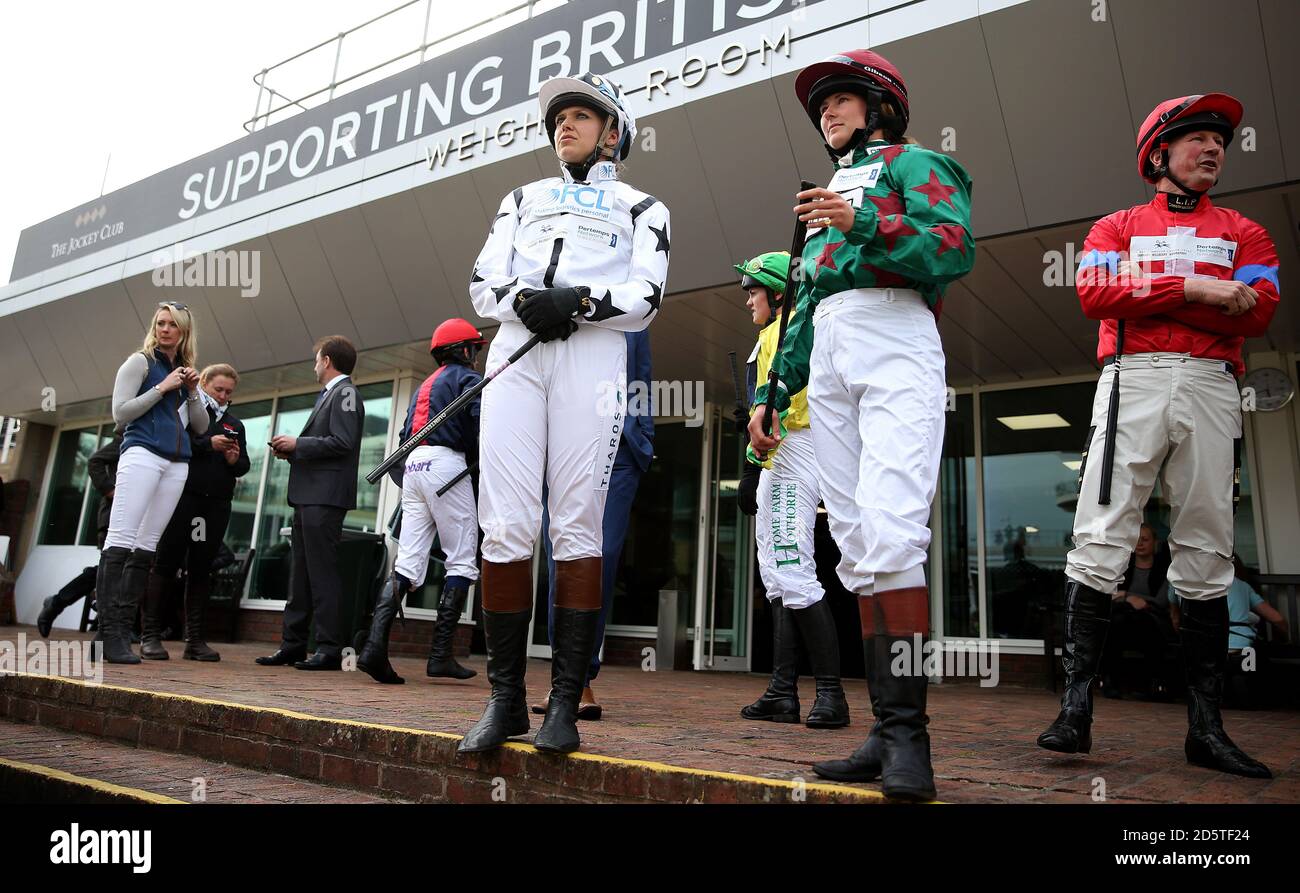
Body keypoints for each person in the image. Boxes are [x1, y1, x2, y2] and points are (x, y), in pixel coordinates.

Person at [748, 50, 974, 800]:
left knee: (895, 530)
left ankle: (911, 737)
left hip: (895, 329)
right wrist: (775, 392)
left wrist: (864, 217)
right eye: (822, 108)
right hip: (834, 350)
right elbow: (805, 302)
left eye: (841, 101)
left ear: (880, 107)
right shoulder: (822, 195)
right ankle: (881, 729)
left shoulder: (917, 162)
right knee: (854, 540)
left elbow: (952, 248)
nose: (828, 114)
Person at [1037, 93, 1279, 779]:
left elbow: (1259, 310)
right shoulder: (1115, 225)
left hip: (1211, 383)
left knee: (1208, 540)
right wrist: (1205, 291)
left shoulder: (1249, 231)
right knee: (1103, 531)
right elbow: (1095, 293)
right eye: (1197, 138)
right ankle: (1074, 711)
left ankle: (1206, 726)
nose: (1213, 150)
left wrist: (1152, 286)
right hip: (1130, 378)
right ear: (1159, 153)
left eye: (1220, 141)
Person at [458, 72, 670, 755]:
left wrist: (576, 302)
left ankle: (567, 702)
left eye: (581, 115)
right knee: (505, 523)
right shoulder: (520, 197)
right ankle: (505, 699)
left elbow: (647, 295)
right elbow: (481, 279)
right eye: (558, 119)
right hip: (518, 352)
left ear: (614, 132)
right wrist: (524, 300)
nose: (564, 127)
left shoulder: (646, 207)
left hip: (593, 356)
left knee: (577, 523)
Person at [735, 251, 848, 728]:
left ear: (779, 293)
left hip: (799, 450)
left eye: (753, 291)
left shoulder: (795, 333)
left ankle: (831, 694)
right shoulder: (765, 338)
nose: (748, 301)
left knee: (792, 569)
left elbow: (788, 410)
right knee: (776, 575)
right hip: (778, 458)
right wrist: (751, 467)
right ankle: (783, 691)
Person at [532, 328, 654, 721]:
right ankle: (564, 680)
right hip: (564, 449)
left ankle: (580, 677)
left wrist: (641, 438)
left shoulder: (632, 311)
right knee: (560, 562)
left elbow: (641, 374)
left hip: (618, 449)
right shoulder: (560, 305)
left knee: (600, 557)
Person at [357, 319, 484, 685]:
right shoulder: (468, 380)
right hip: (446, 465)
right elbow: (479, 429)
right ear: (463, 350)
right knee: (461, 556)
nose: (475, 356)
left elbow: (403, 434)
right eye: (474, 349)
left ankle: (374, 648)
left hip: (413, 467)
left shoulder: (424, 387)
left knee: (409, 560)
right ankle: (441, 655)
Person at [96, 301, 208, 663]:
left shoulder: (186, 372)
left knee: (146, 548)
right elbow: (120, 412)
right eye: (160, 323)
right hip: (142, 453)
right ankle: (107, 634)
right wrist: (161, 388)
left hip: (177, 465)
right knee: (120, 541)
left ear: (184, 331)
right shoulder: (140, 362)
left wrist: (191, 390)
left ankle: (122, 633)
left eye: (172, 324)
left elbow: (202, 427)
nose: (164, 329)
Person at [256, 336, 365, 671]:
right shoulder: (330, 395)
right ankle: (292, 645)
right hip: (309, 496)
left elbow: (343, 442)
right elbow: (328, 445)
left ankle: (330, 649)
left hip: (324, 499)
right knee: (300, 575)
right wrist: (294, 452)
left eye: (317, 359)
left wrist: (298, 443)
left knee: (321, 575)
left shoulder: (345, 393)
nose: (314, 365)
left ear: (328, 360)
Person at [140, 364, 250, 661]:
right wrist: (207, 445)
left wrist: (232, 458)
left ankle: (195, 640)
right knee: (165, 564)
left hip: (215, 504)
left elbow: (243, 466)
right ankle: (150, 634)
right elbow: (175, 443)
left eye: (229, 392)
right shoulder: (186, 411)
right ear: (204, 384)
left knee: (201, 569)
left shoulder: (235, 424)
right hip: (182, 498)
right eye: (219, 390)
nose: (224, 396)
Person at [37, 433, 121, 637]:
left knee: (115, 571)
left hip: (138, 519)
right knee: (109, 570)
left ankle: (58, 603)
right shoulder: (130, 436)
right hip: (114, 517)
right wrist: (110, 489)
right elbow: (95, 461)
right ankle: (58, 603)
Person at [1101, 524, 1175, 699]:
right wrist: (1130, 599)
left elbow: (1161, 601)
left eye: (1145, 539)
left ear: (1155, 542)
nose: (1140, 544)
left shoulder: (1165, 570)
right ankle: (1110, 682)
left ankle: (1150, 684)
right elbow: (1111, 595)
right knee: (1115, 622)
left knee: (1141, 622)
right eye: (1136, 540)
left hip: (1152, 621)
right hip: (1124, 621)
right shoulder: (1123, 568)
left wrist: (1127, 594)